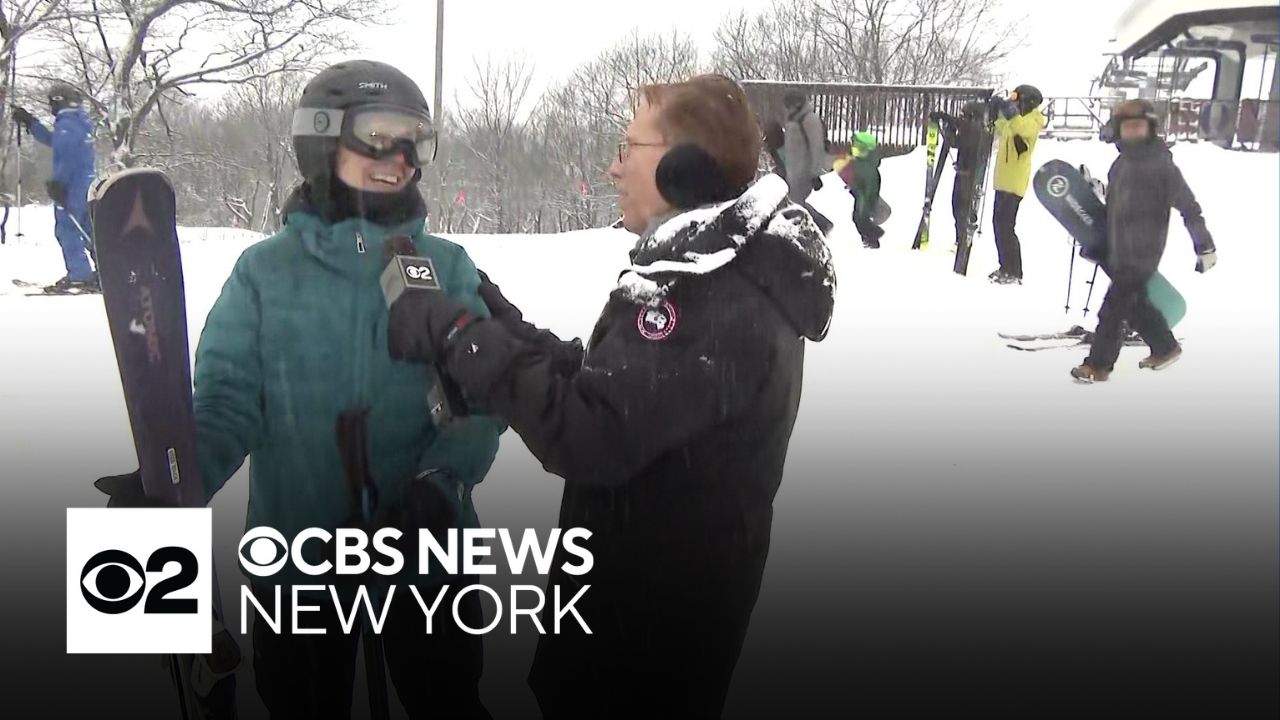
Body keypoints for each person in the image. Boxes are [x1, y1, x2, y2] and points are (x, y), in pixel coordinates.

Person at [382, 73, 836, 718]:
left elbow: (589, 433)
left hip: (643, 656)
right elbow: (620, 389)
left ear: (683, 167)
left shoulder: (711, 300)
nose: (612, 168)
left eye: (628, 148)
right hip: (648, 633)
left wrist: (461, 336)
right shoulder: (714, 275)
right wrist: (508, 329)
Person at [96, 60, 503, 719]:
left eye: (414, 142)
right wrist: (173, 479)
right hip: (297, 561)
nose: (400, 159)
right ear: (322, 138)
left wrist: (440, 485)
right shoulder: (264, 273)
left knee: (448, 702)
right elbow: (229, 402)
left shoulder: (448, 267)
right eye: (379, 136)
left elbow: (479, 399)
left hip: (426, 558)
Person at [1071, 99, 1216, 382]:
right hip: (1119, 246)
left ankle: (1098, 366)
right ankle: (1165, 347)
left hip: (1143, 250)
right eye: (1129, 127)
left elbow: (1189, 206)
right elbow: (1118, 201)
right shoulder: (1121, 163)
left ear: (1150, 128)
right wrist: (1095, 194)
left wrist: (1204, 245)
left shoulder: (1161, 165)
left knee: (1113, 309)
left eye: (1139, 126)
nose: (1134, 132)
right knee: (1134, 304)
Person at [11, 82, 97, 292]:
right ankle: (107, 267)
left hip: (72, 186)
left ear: (58, 101)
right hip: (86, 184)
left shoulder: (67, 124)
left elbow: (67, 156)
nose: (50, 107)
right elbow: (55, 141)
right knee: (87, 228)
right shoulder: (78, 122)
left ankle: (80, 275)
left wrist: (59, 183)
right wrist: (32, 122)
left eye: (51, 102)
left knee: (67, 229)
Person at [987, 84, 1046, 284]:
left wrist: (1010, 112)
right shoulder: (1017, 120)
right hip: (1002, 180)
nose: (1014, 104)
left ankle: (1014, 270)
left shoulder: (1033, 121)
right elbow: (1005, 128)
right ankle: (1004, 266)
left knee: (1006, 227)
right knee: (998, 225)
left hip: (1014, 183)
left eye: (1016, 99)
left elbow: (1020, 128)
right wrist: (996, 113)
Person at [930, 101, 991, 250]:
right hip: (964, 174)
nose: (961, 118)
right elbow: (958, 140)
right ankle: (960, 239)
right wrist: (947, 125)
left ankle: (962, 240)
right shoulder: (973, 129)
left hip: (969, 177)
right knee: (958, 208)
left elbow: (962, 133)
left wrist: (947, 120)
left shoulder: (976, 130)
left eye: (964, 115)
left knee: (961, 208)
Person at [834, 130, 884, 248]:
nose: (854, 148)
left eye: (858, 147)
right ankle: (870, 238)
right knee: (858, 218)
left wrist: (864, 201)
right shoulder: (861, 162)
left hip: (864, 197)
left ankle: (873, 238)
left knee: (860, 218)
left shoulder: (867, 167)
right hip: (860, 194)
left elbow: (868, 188)